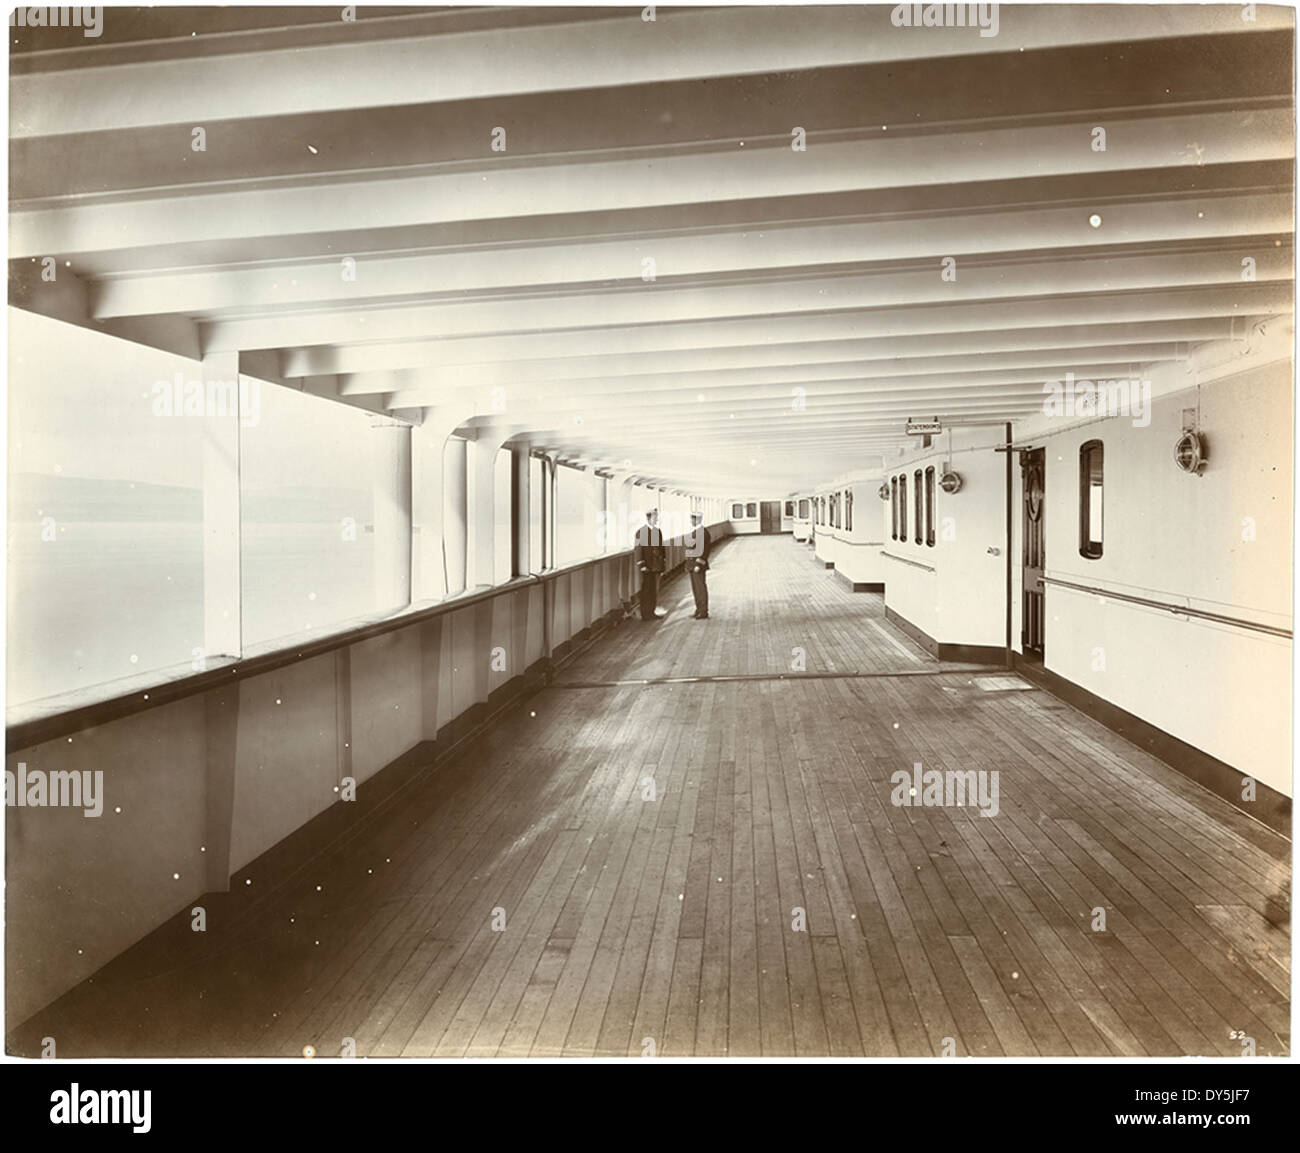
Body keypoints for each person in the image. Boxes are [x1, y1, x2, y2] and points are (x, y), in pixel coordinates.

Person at [633, 509, 666, 619]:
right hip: (647, 566)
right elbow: (638, 549)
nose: (657, 519)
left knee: (653, 590)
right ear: (649, 518)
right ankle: (645, 613)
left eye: (657, 516)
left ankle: (651, 612)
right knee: (646, 589)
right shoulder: (640, 532)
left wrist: (663, 563)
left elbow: (661, 549)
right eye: (655, 517)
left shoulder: (658, 531)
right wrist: (641, 565)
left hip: (656, 566)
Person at [685, 511, 711, 619]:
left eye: (693, 519)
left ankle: (703, 611)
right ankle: (698, 609)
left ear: (698, 519)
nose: (691, 521)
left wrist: (698, 564)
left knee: (700, 588)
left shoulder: (703, 533)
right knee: (696, 589)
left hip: (697, 565)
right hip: (692, 565)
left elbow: (704, 551)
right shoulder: (697, 531)